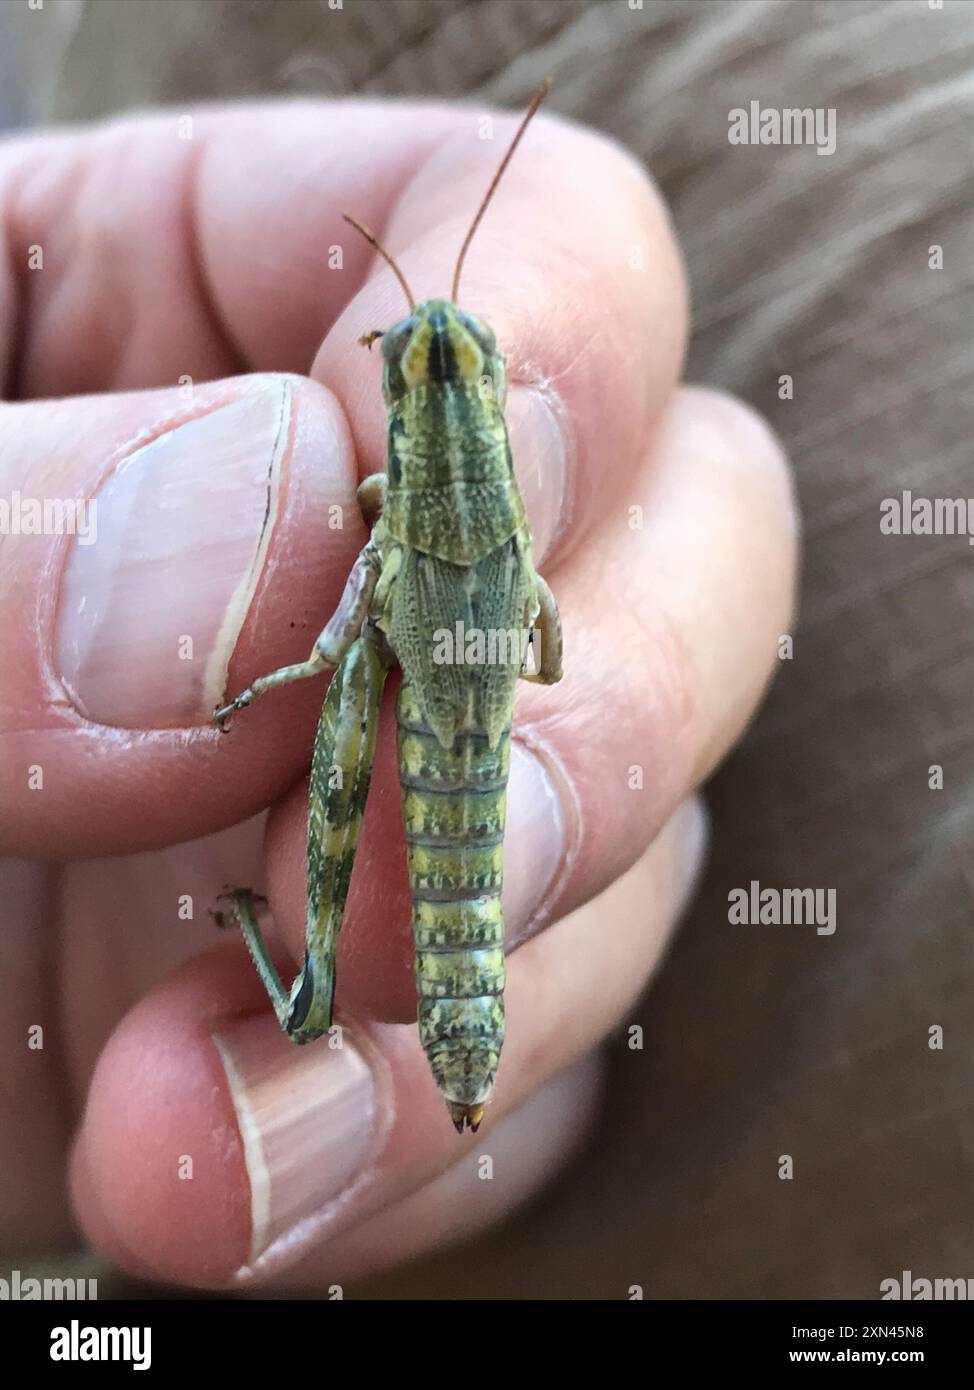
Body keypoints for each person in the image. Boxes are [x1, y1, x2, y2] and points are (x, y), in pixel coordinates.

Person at [0, 99, 796, 1288]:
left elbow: (331, 662)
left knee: (347, 739)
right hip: (453, 742)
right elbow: (544, 661)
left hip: (437, 741)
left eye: (445, 363)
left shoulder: (383, 528)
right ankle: (327, 984)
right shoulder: (466, 528)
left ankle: (314, 985)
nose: (428, 368)